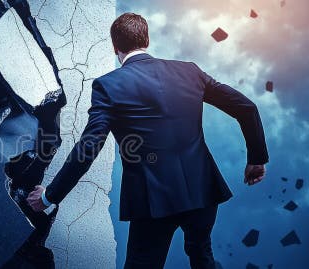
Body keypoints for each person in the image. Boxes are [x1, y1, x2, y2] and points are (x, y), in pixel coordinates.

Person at [26, 12, 269, 269]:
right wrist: (256, 159)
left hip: (153, 202)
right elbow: (246, 107)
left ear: (114, 46)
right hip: (202, 191)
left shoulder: (108, 86)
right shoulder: (190, 72)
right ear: (147, 40)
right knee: (202, 257)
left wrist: (49, 197)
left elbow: (89, 147)